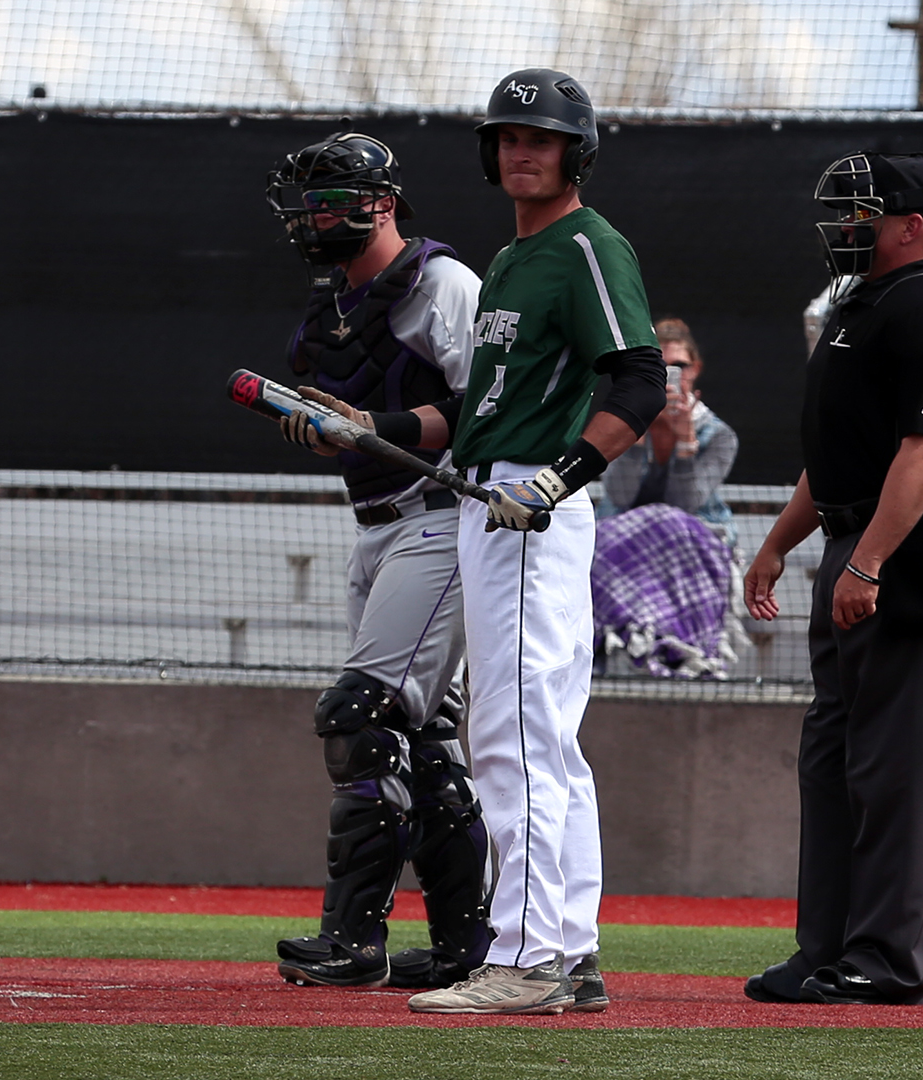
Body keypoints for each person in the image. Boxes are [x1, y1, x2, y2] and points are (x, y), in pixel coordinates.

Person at [288, 69, 666, 1015]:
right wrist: (369, 425)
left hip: (530, 508)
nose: (521, 152)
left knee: (518, 734)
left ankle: (527, 961)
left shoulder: (587, 245)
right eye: (506, 137)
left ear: (576, 153)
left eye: (540, 138)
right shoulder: (507, 262)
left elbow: (639, 383)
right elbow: (473, 414)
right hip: (486, 499)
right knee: (537, 739)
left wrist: (560, 478)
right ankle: (567, 956)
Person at [740, 151, 923, 1006]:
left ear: (914, 226)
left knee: (894, 770)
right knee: (834, 759)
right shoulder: (861, 305)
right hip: (851, 547)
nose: (846, 227)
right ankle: (827, 948)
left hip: (902, 561)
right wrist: (778, 543)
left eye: (863, 213)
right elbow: (837, 454)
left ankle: (885, 961)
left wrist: (869, 562)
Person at [262, 132, 493, 992]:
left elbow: (487, 413)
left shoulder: (446, 284)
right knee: (422, 738)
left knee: (359, 714)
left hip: (443, 518)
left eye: (332, 202)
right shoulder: (329, 314)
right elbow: (369, 421)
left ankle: (354, 942)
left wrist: (372, 429)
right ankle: (469, 949)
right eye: (306, 205)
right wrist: (332, 428)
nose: (314, 220)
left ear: (383, 203)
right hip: (375, 526)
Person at [595, 317, 738, 545]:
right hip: (624, 534)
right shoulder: (620, 422)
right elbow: (619, 496)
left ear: (696, 368)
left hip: (690, 535)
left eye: (679, 366)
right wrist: (637, 426)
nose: (669, 375)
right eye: (659, 366)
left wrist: (686, 442)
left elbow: (686, 506)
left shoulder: (721, 436)